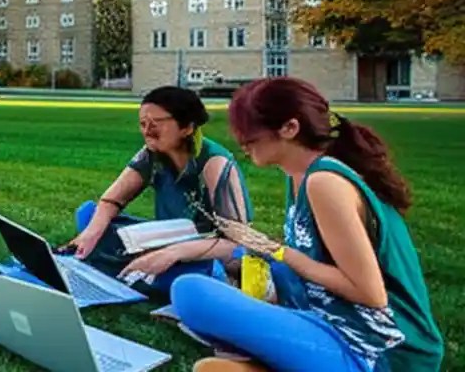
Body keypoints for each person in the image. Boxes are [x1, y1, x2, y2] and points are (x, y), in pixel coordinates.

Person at [172, 77, 443, 372]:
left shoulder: (324, 182)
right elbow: (309, 261)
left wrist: (276, 250)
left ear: (290, 128)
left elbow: (370, 294)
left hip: (376, 348)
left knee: (191, 292)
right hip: (327, 318)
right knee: (210, 280)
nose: (242, 144)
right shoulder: (298, 176)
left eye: (249, 135)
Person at [62, 86, 253, 297]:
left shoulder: (214, 163)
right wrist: (90, 234)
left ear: (187, 127)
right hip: (164, 239)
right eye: (143, 124)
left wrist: (171, 254)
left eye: (156, 123)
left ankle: (138, 270)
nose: (147, 130)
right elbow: (112, 200)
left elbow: (237, 243)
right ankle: (136, 269)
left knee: (185, 282)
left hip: (203, 252)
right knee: (90, 216)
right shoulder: (150, 155)